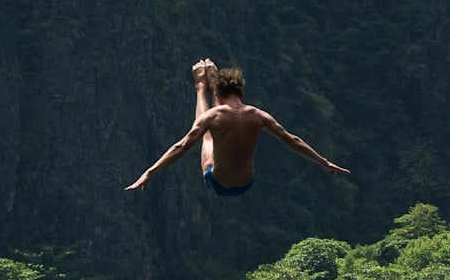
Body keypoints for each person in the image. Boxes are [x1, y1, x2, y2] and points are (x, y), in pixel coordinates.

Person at [126, 59, 348, 196]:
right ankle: (210, 85)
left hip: (219, 182)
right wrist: (324, 162)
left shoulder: (213, 117)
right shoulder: (259, 116)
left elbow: (181, 147)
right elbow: (293, 141)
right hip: (246, 183)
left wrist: (149, 172)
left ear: (221, 97)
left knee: (206, 138)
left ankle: (201, 87)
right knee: (212, 129)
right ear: (241, 93)